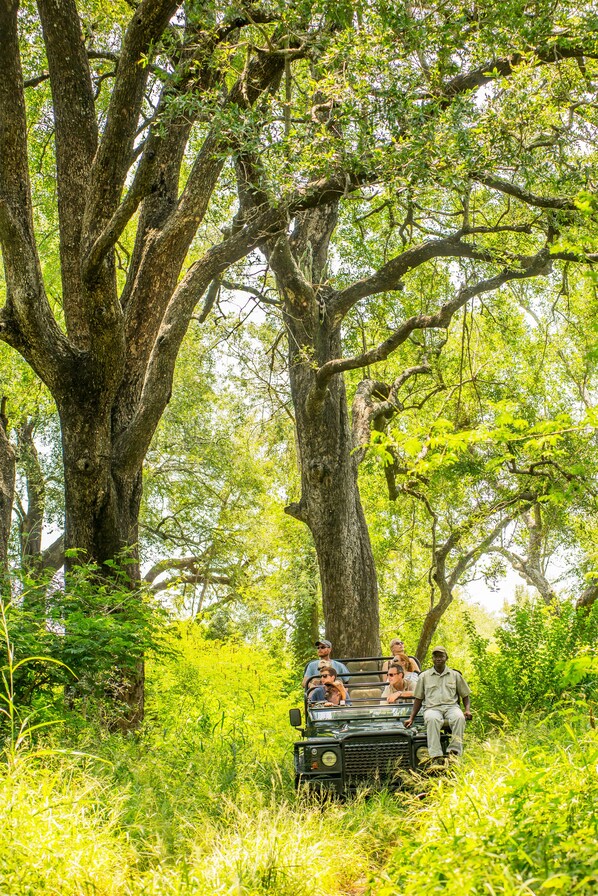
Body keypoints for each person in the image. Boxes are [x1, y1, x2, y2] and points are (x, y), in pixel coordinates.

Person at [404, 646, 472, 761]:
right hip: (432, 708)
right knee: (432, 719)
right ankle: (436, 755)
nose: (438, 659)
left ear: (446, 658)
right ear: (432, 659)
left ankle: (454, 752)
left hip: (451, 707)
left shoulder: (455, 675)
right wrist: (411, 718)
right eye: (436, 656)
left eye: (441, 656)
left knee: (459, 718)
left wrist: (467, 710)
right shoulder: (424, 676)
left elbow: (465, 695)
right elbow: (418, 699)